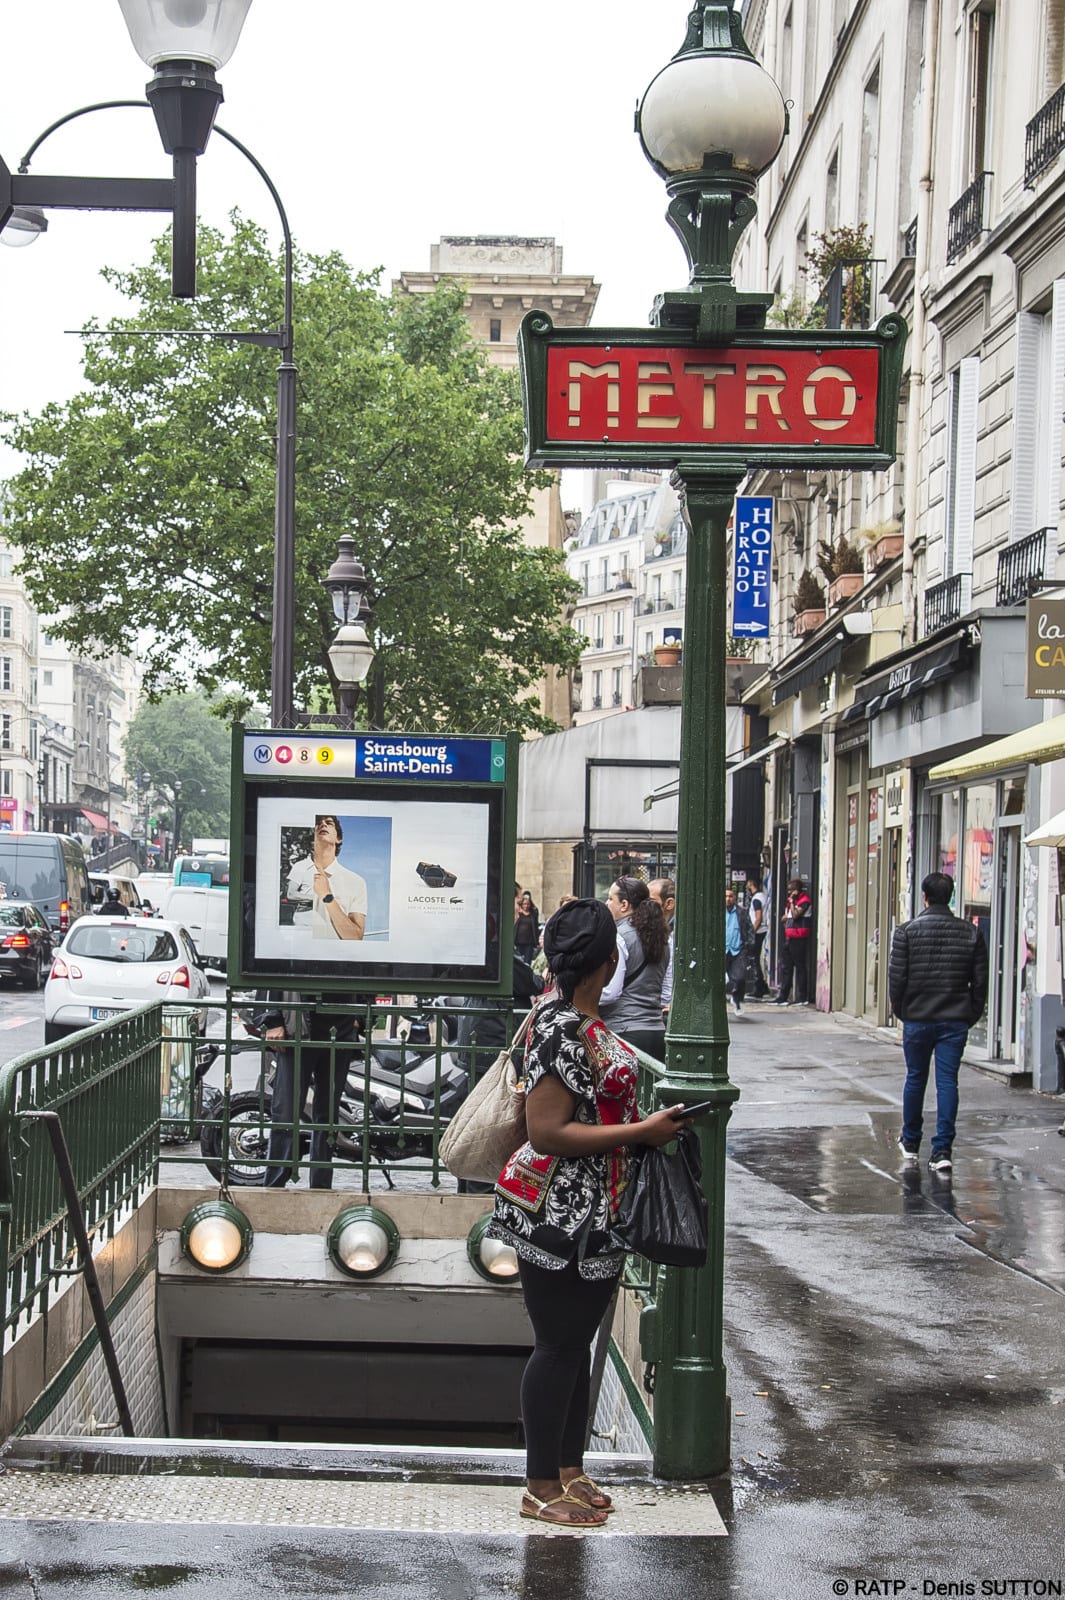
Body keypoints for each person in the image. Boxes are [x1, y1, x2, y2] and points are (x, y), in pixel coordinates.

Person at [487, 898, 693, 1528]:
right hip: (555, 1214)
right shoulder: (562, 1029)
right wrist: (640, 1133)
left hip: (596, 1211)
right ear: (609, 961)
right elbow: (546, 1131)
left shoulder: (564, 1016)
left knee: (574, 1349)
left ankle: (569, 1471)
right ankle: (539, 1485)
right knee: (557, 1348)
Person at [888, 871, 989, 1174]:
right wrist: (970, 1013)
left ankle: (911, 1139)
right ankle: (942, 1149)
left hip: (918, 1017)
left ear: (925, 897)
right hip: (954, 1018)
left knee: (915, 1077)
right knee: (948, 1081)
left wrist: (902, 1010)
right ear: (951, 896)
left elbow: (897, 979)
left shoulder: (906, 932)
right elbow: (980, 981)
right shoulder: (970, 933)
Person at [256, 992, 361, 1189]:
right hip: (297, 1026)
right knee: (286, 1112)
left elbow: (365, 969)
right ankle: (274, 1186)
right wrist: (273, 1019)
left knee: (327, 1117)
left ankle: (320, 1186)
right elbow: (270, 968)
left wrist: (359, 1016)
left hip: (340, 1029)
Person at [600, 876, 672, 1060]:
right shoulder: (662, 939)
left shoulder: (619, 937)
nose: (607, 903)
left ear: (624, 905)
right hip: (656, 1031)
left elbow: (611, 993)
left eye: (610, 899)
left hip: (624, 1031)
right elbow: (665, 992)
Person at [285, 815, 367, 941]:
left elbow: (355, 937)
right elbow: (290, 894)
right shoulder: (300, 866)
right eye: (318, 823)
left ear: (338, 838)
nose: (323, 824)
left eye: (329, 823)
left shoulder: (356, 882)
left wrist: (326, 896)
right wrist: (316, 898)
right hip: (299, 950)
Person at [775, 877, 812, 1004]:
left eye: (791, 890)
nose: (789, 893)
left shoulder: (804, 901)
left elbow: (795, 915)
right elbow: (784, 918)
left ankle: (802, 996)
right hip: (789, 936)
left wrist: (791, 903)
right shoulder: (793, 902)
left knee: (800, 967)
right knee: (787, 967)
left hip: (799, 937)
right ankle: (783, 996)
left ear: (796, 890)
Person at [724, 887, 755, 1015]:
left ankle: (736, 998)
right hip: (723, 949)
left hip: (738, 950)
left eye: (731, 896)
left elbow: (749, 929)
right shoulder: (718, 912)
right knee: (721, 979)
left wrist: (748, 946)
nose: (728, 899)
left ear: (735, 898)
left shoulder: (741, 912)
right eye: (726, 896)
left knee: (741, 977)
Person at [746, 877, 770, 999]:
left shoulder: (756, 899)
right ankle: (762, 986)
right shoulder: (763, 896)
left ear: (751, 884)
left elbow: (758, 917)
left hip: (758, 931)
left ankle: (759, 987)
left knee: (754, 959)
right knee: (756, 959)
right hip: (762, 930)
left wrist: (752, 932)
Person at [514, 890, 540, 966]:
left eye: (528, 904)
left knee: (527, 962)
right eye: (524, 904)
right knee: (518, 961)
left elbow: (536, 927)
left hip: (529, 942)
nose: (526, 906)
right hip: (518, 942)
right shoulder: (518, 913)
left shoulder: (533, 914)